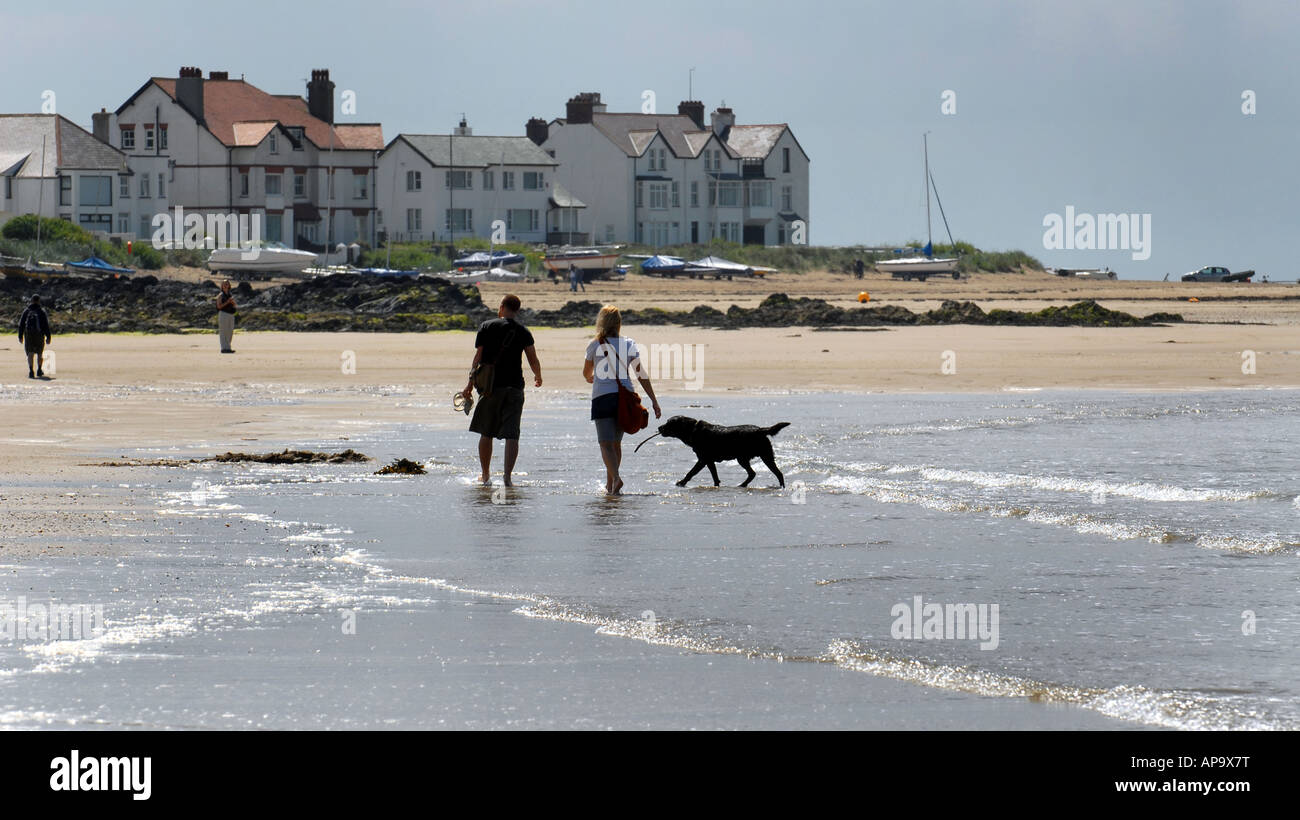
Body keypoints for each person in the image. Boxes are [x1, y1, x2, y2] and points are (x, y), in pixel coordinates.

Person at [461, 294, 542, 486]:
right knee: (512, 434)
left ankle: (486, 475)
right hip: (515, 387)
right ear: (517, 310)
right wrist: (538, 376)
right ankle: (507, 477)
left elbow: (478, 357)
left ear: (502, 307)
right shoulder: (524, 332)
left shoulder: (487, 326)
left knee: (486, 432)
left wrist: (470, 383)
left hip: (490, 387)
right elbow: (533, 358)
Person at [583, 305, 661, 495]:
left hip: (603, 397)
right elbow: (640, 373)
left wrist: (590, 377)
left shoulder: (595, 344)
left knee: (605, 443)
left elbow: (586, 372)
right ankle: (611, 487)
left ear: (600, 322)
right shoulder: (628, 343)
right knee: (615, 444)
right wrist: (653, 400)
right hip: (624, 398)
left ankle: (616, 480)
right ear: (618, 323)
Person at [18, 295, 51, 379]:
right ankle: (39, 370)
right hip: (39, 334)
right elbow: (46, 325)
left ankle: (31, 371)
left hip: (28, 334)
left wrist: (20, 336)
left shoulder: (26, 311)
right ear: (39, 301)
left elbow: (21, 324)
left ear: (31, 300)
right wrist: (48, 336)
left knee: (30, 353)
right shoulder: (41, 311)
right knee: (40, 353)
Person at [216, 280, 237, 353]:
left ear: (229, 285)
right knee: (223, 331)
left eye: (227, 284)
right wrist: (227, 302)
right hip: (223, 314)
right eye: (224, 284)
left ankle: (228, 347)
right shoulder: (220, 295)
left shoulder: (230, 295)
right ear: (222, 286)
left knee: (229, 331)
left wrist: (232, 302)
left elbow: (235, 305)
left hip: (231, 314)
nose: (225, 285)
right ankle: (224, 348)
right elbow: (219, 306)